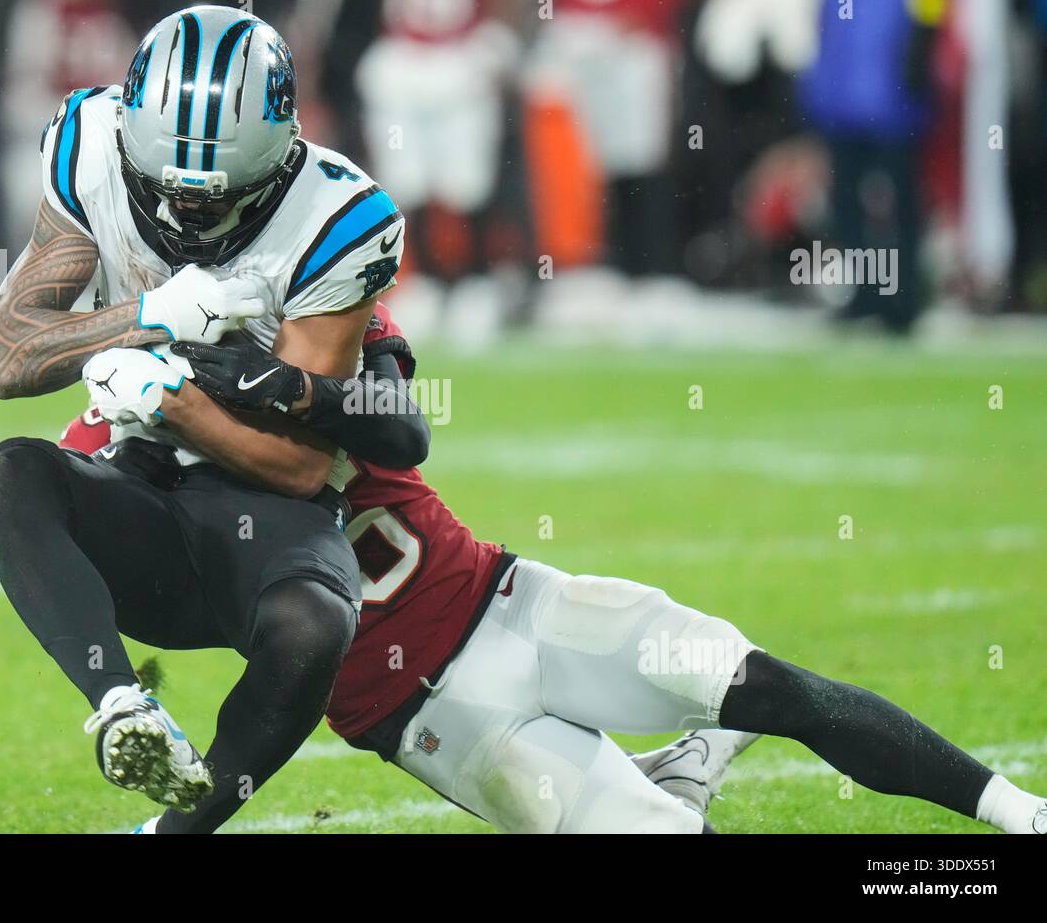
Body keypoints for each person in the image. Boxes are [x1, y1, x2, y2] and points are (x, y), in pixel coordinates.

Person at [63, 303, 1047, 834]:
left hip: (515, 600)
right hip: (437, 718)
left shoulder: (312, 319)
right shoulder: (117, 430)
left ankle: (1021, 812)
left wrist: (246, 386)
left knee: (765, 682)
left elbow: (394, 429)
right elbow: (100, 547)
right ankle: (682, 775)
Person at [0, 5, 412, 830]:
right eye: (165, 189)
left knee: (315, 624)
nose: (185, 214)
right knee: (12, 471)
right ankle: (121, 708)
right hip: (136, 492)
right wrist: (152, 314)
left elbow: (301, 467)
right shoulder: (93, 144)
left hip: (266, 511)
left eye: (216, 197)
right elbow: (7, 359)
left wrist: (175, 401)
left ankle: (174, 831)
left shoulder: (335, 220)